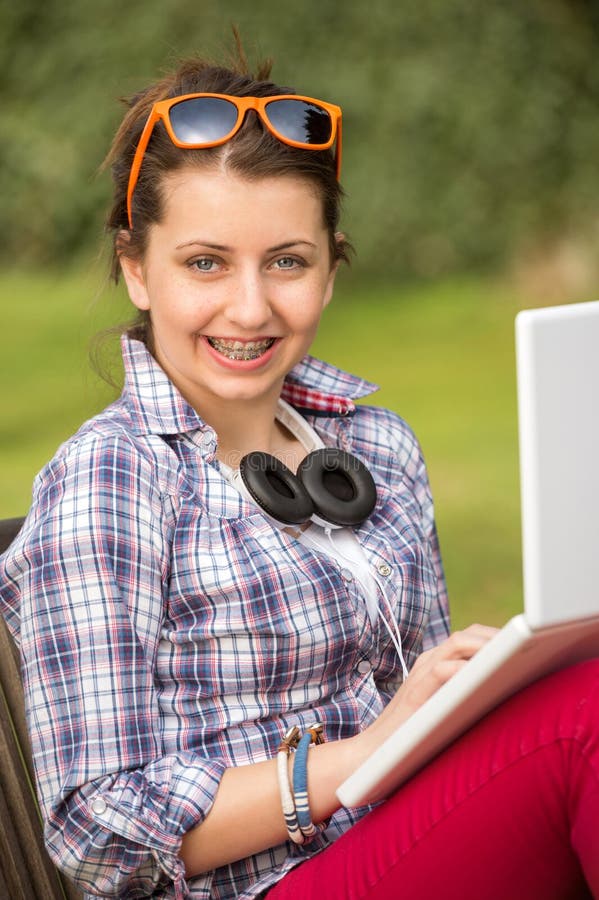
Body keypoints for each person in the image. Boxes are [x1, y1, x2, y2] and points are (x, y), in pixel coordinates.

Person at [1, 47, 598, 900]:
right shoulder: (110, 480)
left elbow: (426, 716)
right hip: (268, 885)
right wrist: (362, 756)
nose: (250, 308)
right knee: (588, 723)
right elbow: (99, 836)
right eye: (205, 263)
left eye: (286, 261)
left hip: (409, 841)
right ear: (136, 269)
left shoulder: (377, 446)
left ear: (329, 266)